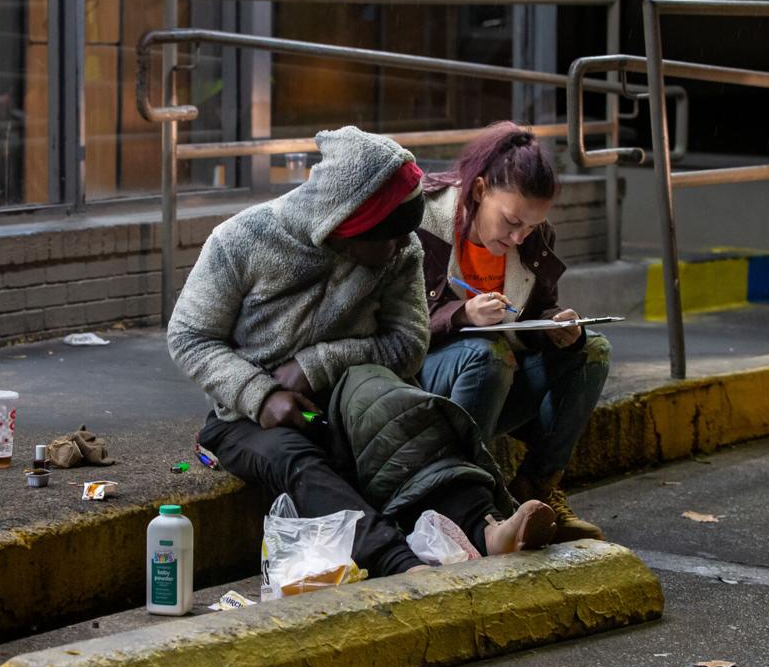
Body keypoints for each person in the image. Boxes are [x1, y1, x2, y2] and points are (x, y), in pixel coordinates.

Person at [168, 125, 555, 580]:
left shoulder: (401, 248)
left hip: (350, 397)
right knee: (294, 460)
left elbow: (409, 343)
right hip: (246, 416)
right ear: (341, 223)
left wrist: (315, 366)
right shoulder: (240, 241)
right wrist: (261, 394)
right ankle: (397, 561)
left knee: (406, 415)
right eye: (385, 238)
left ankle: (485, 528)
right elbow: (190, 337)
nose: (398, 249)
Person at [416, 121, 611, 542]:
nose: (519, 235)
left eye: (530, 227)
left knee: (592, 350)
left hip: (498, 382)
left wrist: (556, 326)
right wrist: (461, 314)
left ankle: (538, 490)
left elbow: (536, 311)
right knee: (486, 355)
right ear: (481, 190)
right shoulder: (424, 218)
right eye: (511, 222)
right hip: (425, 380)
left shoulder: (533, 237)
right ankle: (469, 502)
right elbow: (390, 322)